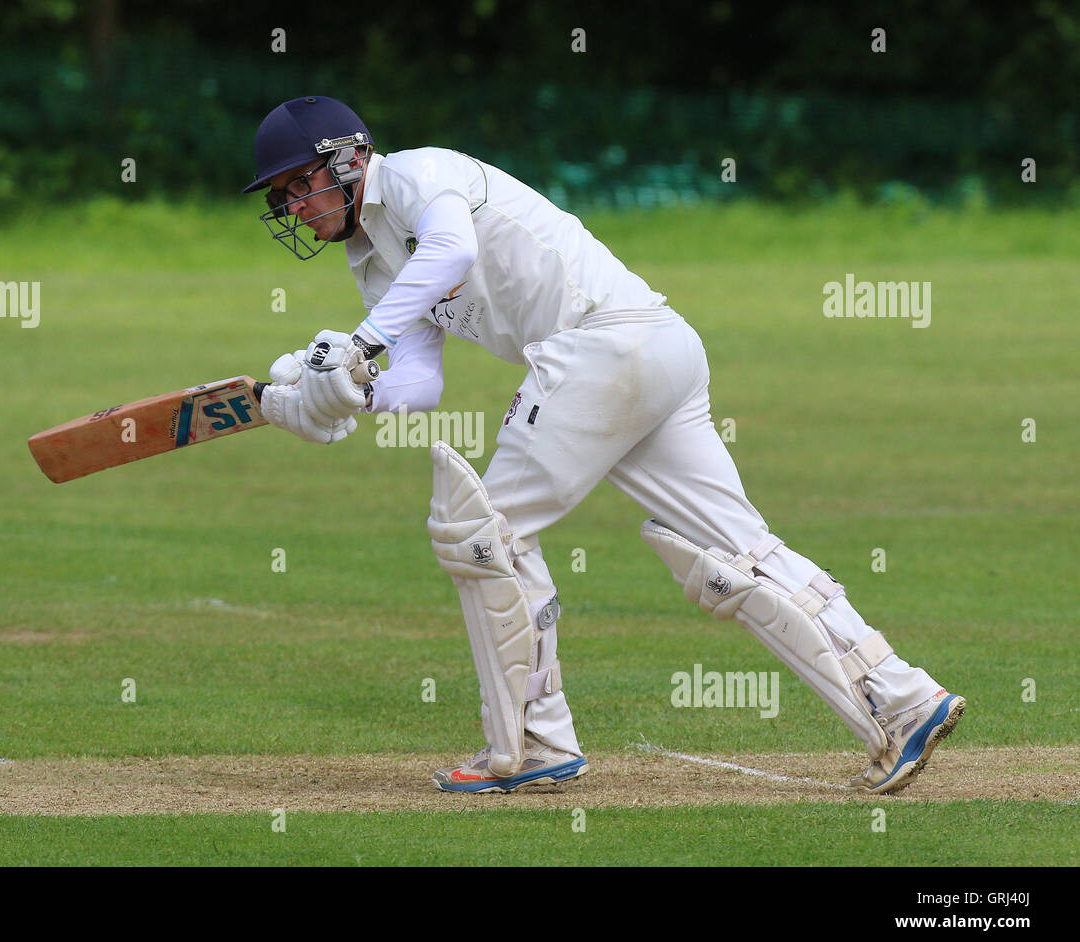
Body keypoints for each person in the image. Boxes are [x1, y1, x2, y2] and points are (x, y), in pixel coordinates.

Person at [243, 95, 965, 794]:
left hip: (606, 347)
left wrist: (363, 344)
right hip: (650, 352)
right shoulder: (371, 264)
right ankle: (901, 699)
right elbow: (421, 382)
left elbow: (452, 248)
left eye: (299, 185)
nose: (296, 208)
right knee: (738, 549)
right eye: (283, 199)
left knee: (480, 532)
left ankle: (532, 744)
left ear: (350, 158)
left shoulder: (418, 174)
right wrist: (346, 391)